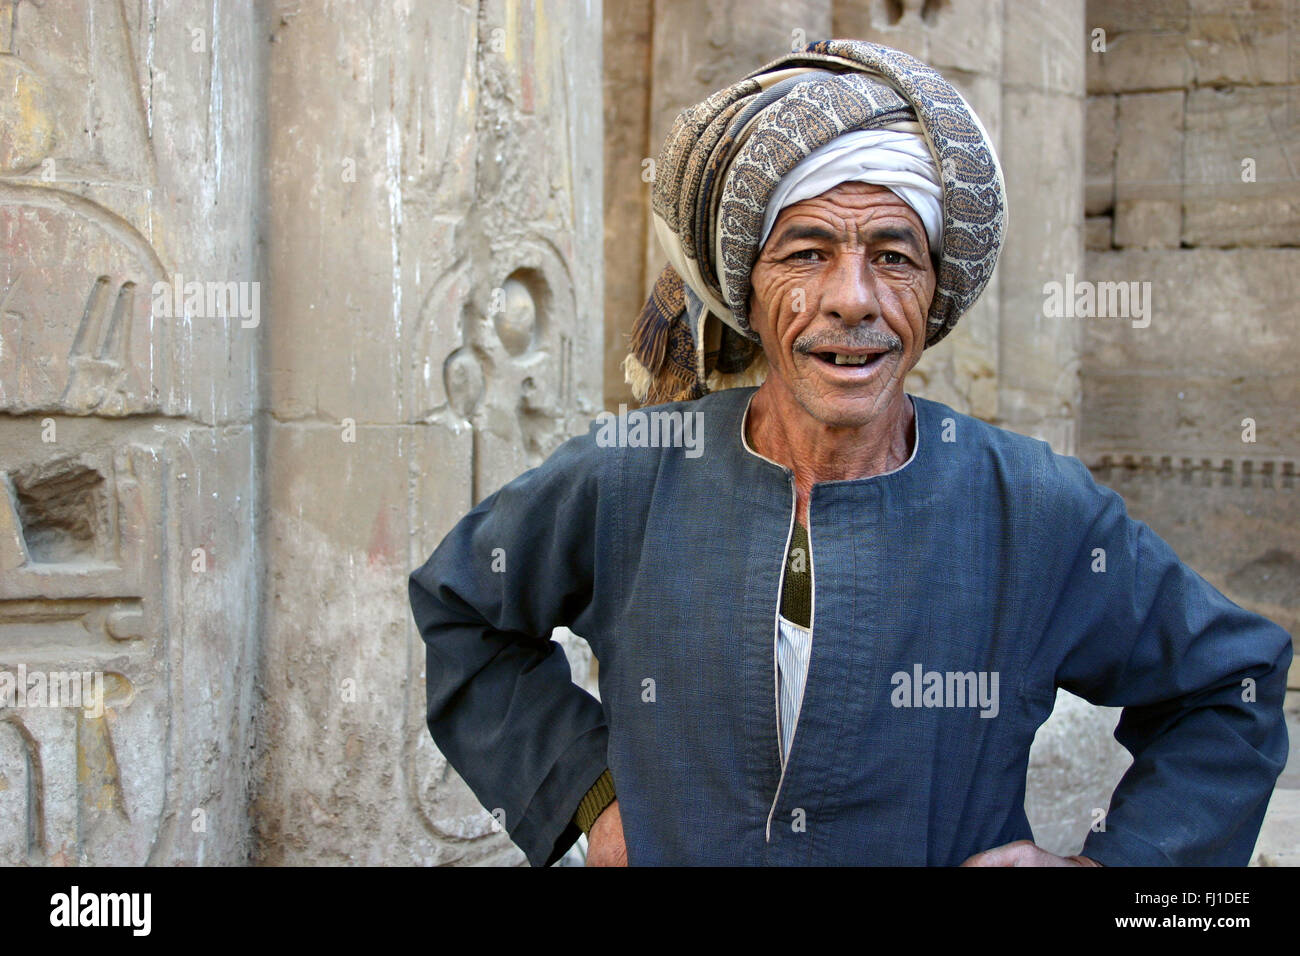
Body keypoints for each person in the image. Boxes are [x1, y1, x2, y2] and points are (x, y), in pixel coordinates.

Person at [408, 39, 1292, 866]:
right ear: (747, 290)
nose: (852, 300)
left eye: (894, 255)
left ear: (935, 292)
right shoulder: (633, 473)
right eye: (807, 252)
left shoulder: (1034, 508)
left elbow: (1234, 685)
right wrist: (589, 792)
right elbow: (462, 609)